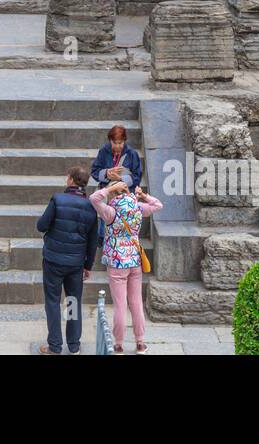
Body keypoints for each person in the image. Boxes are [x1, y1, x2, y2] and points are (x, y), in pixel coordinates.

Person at [90, 181, 163, 354]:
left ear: (114, 193)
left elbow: (94, 198)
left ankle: (119, 344)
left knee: (120, 304)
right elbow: (158, 205)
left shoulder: (110, 212)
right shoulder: (137, 207)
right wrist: (145, 196)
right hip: (135, 261)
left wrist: (108, 189)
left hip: (117, 264)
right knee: (136, 302)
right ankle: (140, 342)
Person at [36, 165, 99, 355]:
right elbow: (93, 240)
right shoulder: (90, 207)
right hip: (76, 263)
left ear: (71, 179)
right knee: (73, 301)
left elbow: (41, 225)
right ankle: (73, 345)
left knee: (53, 301)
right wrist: (87, 266)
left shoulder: (57, 199)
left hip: (53, 260)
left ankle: (54, 346)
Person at [90, 125, 143, 193]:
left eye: (120, 143)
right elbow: (94, 171)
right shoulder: (104, 151)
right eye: (114, 143)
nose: (117, 146)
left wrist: (120, 178)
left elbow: (137, 177)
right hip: (107, 192)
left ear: (124, 140)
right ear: (110, 141)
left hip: (125, 194)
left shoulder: (132, 154)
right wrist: (106, 173)